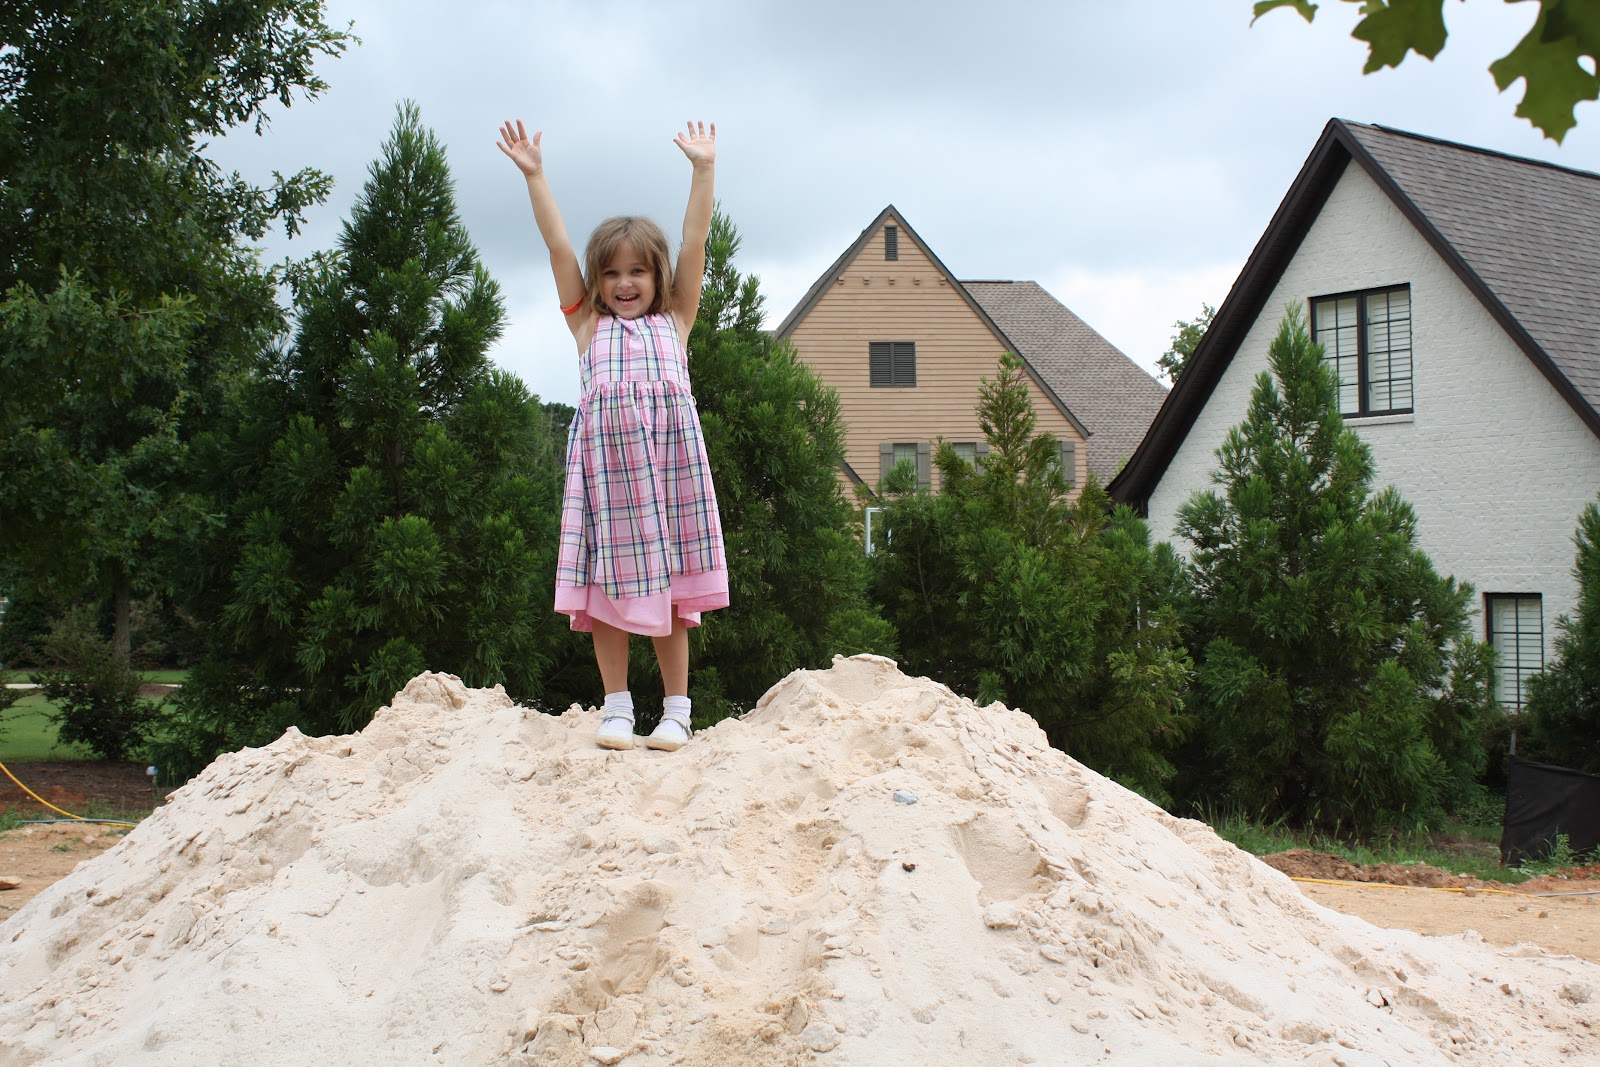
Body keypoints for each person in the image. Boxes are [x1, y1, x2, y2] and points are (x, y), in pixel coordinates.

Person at [497, 118, 728, 753]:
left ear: (657, 278)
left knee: (673, 598)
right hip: (606, 486)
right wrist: (536, 177)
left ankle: (677, 711)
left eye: (638, 272)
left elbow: (696, 243)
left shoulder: (676, 321)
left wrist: (702, 171)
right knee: (607, 598)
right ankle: (618, 708)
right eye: (612, 275)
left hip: (667, 479)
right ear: (597, 283)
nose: (625, 284)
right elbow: (557, 249)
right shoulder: (587, 327)